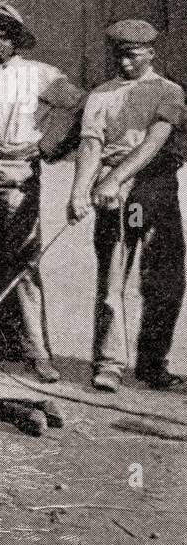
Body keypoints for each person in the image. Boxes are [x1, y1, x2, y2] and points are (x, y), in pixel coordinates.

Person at [0, 2, 85, 383]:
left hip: (19, 170)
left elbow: (86, 105)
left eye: (1, 37)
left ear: (15, 40)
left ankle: (38, 353)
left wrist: (55, 147)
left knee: (24, 262)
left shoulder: (40, 75)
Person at [69, 19, 187, 392]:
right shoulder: (100, 95)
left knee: (165, 280)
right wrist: (78, 192)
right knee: (113, 279)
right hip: (114, 195)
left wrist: (114, 178)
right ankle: (109, 363)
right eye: (120, 56)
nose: (125, 64)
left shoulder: (168, 91)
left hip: (154, 189)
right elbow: (90, 146)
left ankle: (153, 364)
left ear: (152, 53)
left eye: (133, 56)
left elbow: (154, 142)